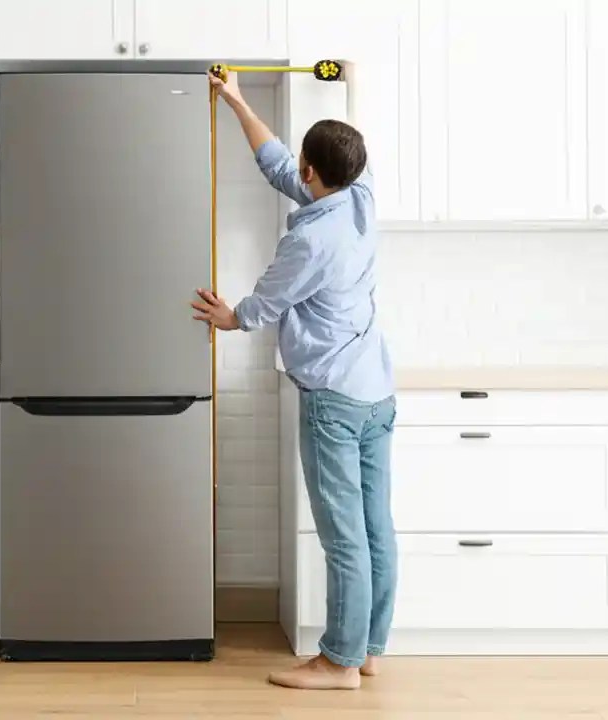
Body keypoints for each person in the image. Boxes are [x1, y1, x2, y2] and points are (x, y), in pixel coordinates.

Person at [192, 70, 396, 691]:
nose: (296, 174)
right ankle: (368, 649)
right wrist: (236, 101)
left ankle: (336, 663)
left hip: (332, 397)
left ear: (315, 173)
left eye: (302, 167)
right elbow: (281, 167)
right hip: (375, 391)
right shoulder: (359, 199)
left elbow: (265, 303)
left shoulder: (312, 239)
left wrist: (231, 318)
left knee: (342, 536)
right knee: (374, 526)